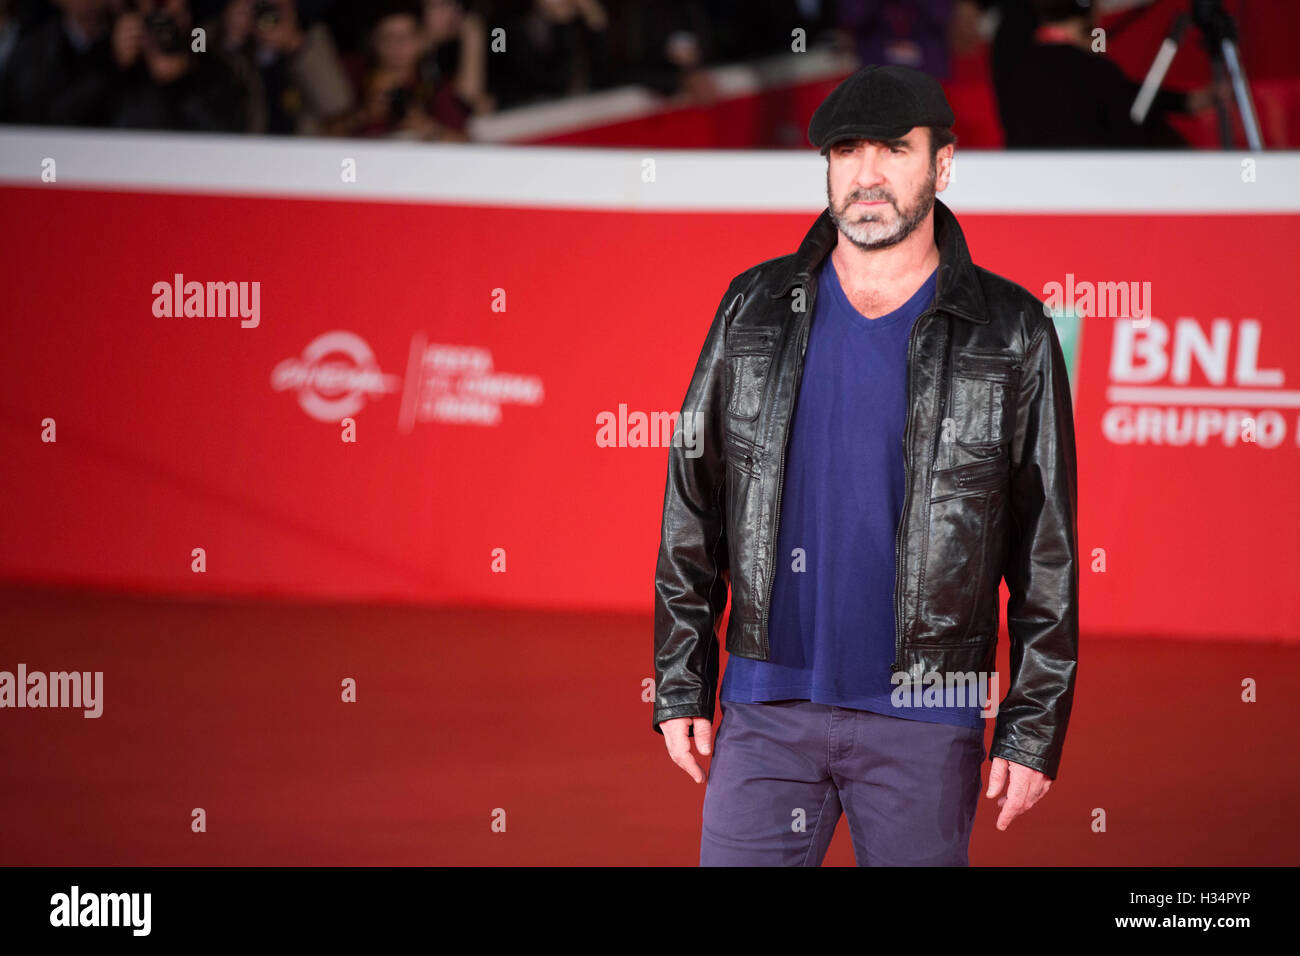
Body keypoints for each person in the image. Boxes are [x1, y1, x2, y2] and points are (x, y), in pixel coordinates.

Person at [652, 64, 1079, 866]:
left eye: (893, 149)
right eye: (848, 151)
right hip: (765, 702)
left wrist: (1032, 726)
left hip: (929, 708)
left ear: (942, 165)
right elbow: (693, 500)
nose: (869, 175)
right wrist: (681, 675)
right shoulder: (753, 306)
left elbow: (1045, 549)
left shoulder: (1012, 330)